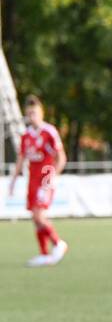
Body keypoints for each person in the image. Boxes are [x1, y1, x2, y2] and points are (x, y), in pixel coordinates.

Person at [8, 95, 68, 267]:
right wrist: (13, 180)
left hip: (45, 177)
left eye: (34, 113)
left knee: (39, 216)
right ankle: (44, 254)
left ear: (41, 113)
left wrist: (52, 177)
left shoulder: (49, 132)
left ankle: (58, 243)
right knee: (35, 219)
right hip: (32, 179)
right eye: (29, 113)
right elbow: (21, 159)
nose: (31, 116)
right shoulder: (26, 135)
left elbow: (61, 158)